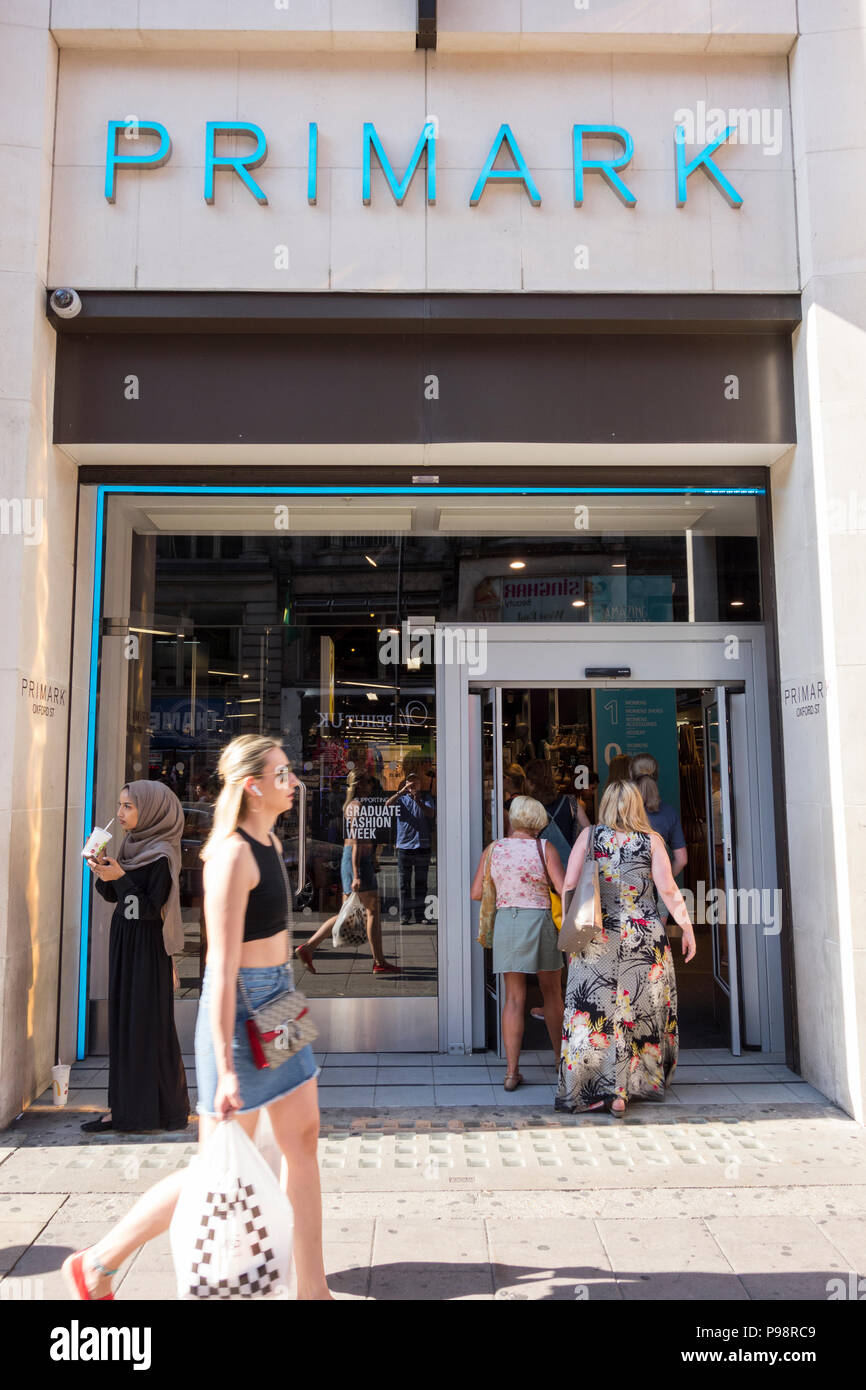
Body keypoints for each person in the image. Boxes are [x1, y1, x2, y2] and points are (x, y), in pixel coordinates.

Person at [64, 734, 332, 1301]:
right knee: (219, 1168)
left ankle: (313, 1290)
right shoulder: (231, 854)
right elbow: (222, 968)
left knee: (302, 1139)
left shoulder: (268, 838)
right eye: (283, 774)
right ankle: (99, 1262)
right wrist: (228, 1068)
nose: (295, 782)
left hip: (281, 999)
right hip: (241, 1009)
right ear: (253, 786)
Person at [556, 779, 696, 1116]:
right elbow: (669, 889)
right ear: (637, 806)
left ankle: (596, 1090)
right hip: (642, 936)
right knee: (637, 1012)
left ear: (605, 805)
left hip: (595, 936)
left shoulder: (589, 837)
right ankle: (628, 1089)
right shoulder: (651, 841)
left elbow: (570, 883)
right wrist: (687, 928)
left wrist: (568, 928)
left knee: (592, 1014)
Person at [81, 781, 189, 1134]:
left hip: (147, 947)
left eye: (128, 806)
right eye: (120, 804)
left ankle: (149, 1113)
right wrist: (102, 871)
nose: (120, 813)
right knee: (125, 1024)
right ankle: (123, 1108)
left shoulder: (162, 855)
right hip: (125, 941)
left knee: (146, 1027)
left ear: (152, 810)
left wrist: (121, 879)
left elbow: (147, 908)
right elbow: (116, 898)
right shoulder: (131, 846)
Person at [470, 795, 565, 1092]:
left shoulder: (493, 849)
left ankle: (511, 1072)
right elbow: (563, 889)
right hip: (540, 922)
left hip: (507, 923)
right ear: (538, 821)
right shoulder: (544, 847)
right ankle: (560, 1060)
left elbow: (475, 893)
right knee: (552, 993)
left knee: (513, 998)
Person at [294, 770, 399, 975]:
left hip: (358, 860)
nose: (372, 787)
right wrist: (357, 873)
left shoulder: (354, 806)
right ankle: (379, 961)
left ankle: (308, 948)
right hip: (357, 861)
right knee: (372, 911)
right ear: (360, 785)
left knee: (349, 912)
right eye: (369, 782)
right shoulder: (357, 807)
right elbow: (357, 841)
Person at [629, 753, 688, 925]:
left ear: (631, 776)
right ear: (656, 775)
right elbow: (682, 859)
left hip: (625, 891)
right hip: (658, 894)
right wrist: (659, 878)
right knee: (657, 944)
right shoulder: (668, 813)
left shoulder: (620, 813)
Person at [385, 771, 435, 925]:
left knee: (421, 883)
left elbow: (431, 814)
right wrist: (402, 791)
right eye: (410, 783)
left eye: (415, 783)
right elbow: (387, 805)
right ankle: (405, 915)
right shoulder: (401, 799)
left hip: (422, 845)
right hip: (405, 846)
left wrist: (418, 800)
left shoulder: (426, 798)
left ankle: (420, 915)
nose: (413, 786)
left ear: (420, 785)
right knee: (404, 883)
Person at [524, 758, 590, 853]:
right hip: (569, 864)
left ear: (531, 782)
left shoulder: (527, 807)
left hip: (539, 864)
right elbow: (588, 833)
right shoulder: (571, 802)